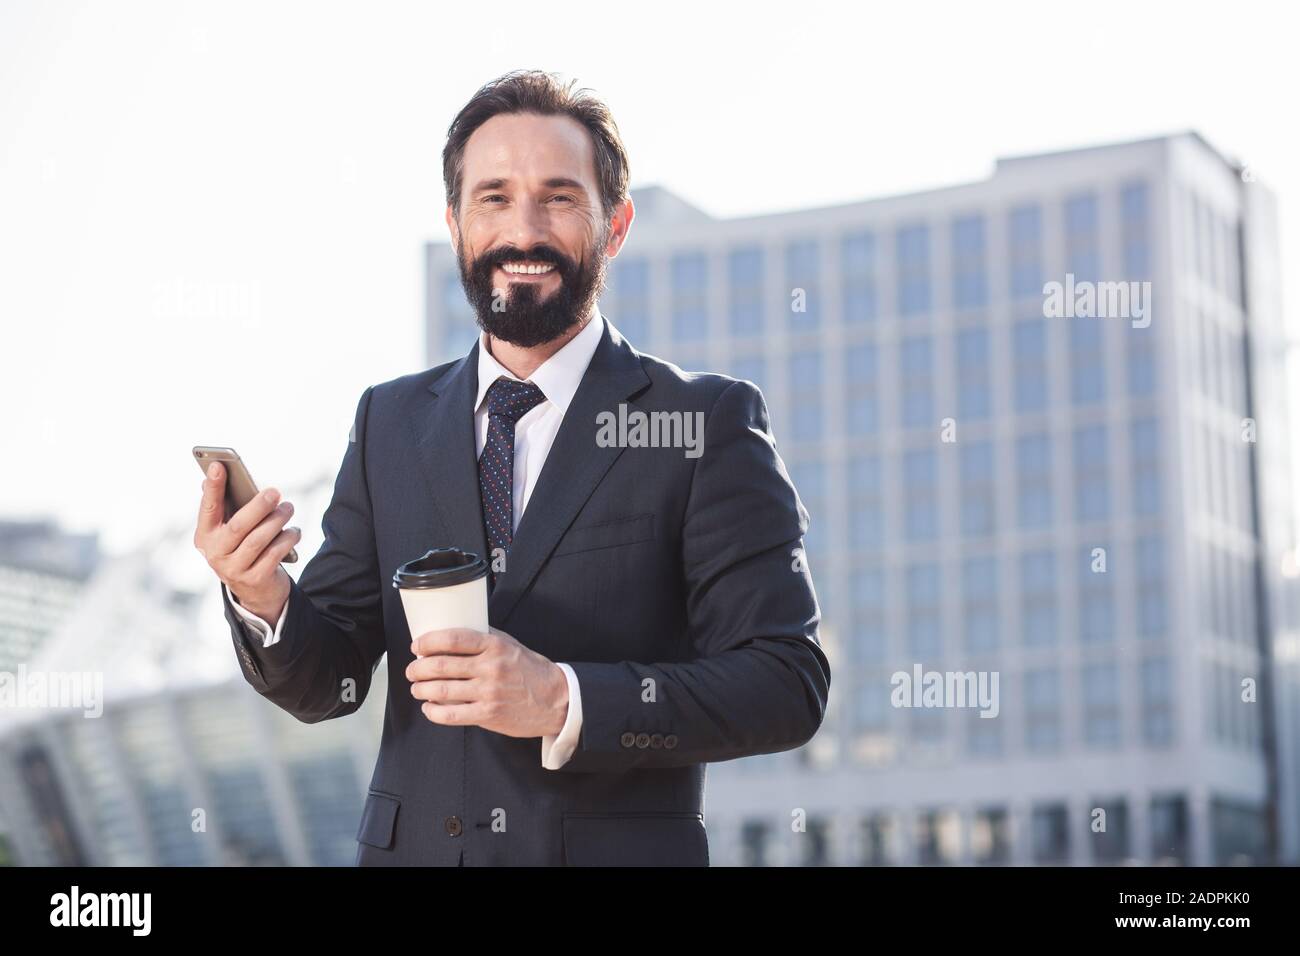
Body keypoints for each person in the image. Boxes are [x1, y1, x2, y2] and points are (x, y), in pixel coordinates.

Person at [193, 69, 830, 866]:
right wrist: (263, 598)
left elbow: (784, 683)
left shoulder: (706, 423)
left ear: (616, 225)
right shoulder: (388, 423)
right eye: (493, 197)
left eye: (559, 197)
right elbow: (331, 680)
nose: (522, 231)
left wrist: (563, 698)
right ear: (456, 223)